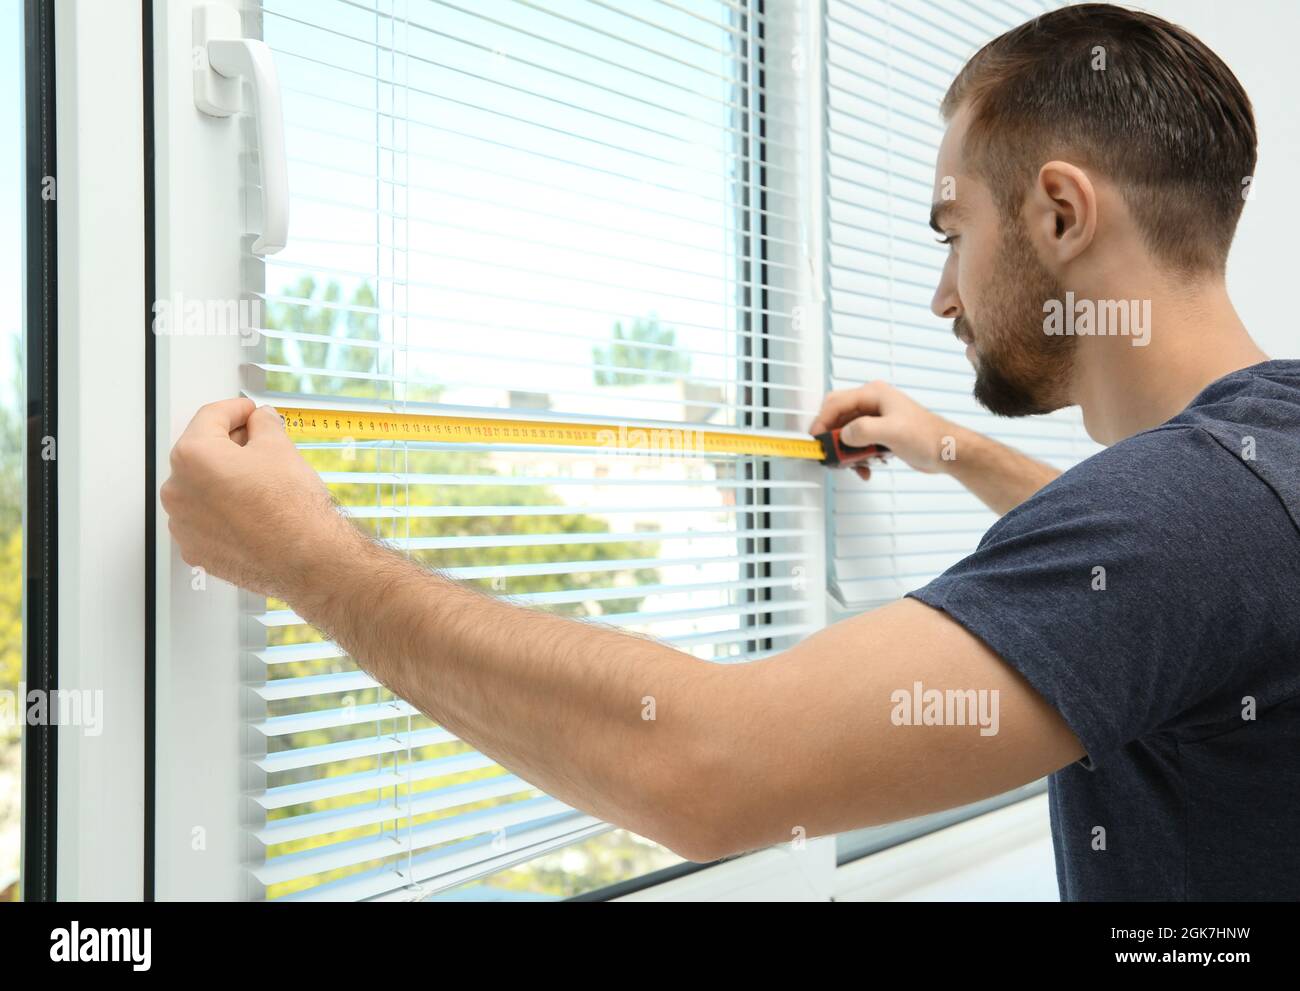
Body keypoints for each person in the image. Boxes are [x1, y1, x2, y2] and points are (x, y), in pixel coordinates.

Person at [162, 4, 1300, 900]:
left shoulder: (1181, 516)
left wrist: (303, 555)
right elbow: (1167, 583)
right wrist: (949, 448)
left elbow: (705, 768)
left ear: (1059, 214)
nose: (942, 293)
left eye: (954, 235)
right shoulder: (1259, 460)